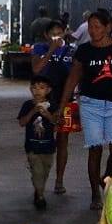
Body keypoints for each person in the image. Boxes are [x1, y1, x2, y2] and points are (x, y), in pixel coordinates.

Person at [60, 9, 112, 210]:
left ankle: (106, 177)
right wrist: (62, 104)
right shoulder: (84, 50)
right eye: (90, 27)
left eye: (97, 27)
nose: (93, 31)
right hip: (90, 104)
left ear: (108, 27)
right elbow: (73, 78)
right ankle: (95, 194)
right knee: (94, 149)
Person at [30, 20, 75, 195]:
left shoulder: (71, 51)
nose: (57, 36)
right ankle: (39, 180)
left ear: (65, 33)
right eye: (53, 33)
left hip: (66, 100)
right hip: (44, 102)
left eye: (60, 33)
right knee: (41, 140)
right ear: (46, 36)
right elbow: (36, 69)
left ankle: (59, 180)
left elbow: (75, 74)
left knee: (63, 140)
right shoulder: (39, 49)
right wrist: (51, 50)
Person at [18, 77, 58, 210]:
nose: (37, 91)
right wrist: (33, 111)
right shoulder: (27, 105)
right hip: (32, 147)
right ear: (30, 89)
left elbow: (56, 122)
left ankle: (38, 190)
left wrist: (46, 114)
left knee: (45, 170)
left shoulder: (52, 105)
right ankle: (40, 196)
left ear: (48, 90)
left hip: (48, 147)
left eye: (41, 88)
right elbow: (22, 122)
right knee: (37, 171)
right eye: (34, 87)